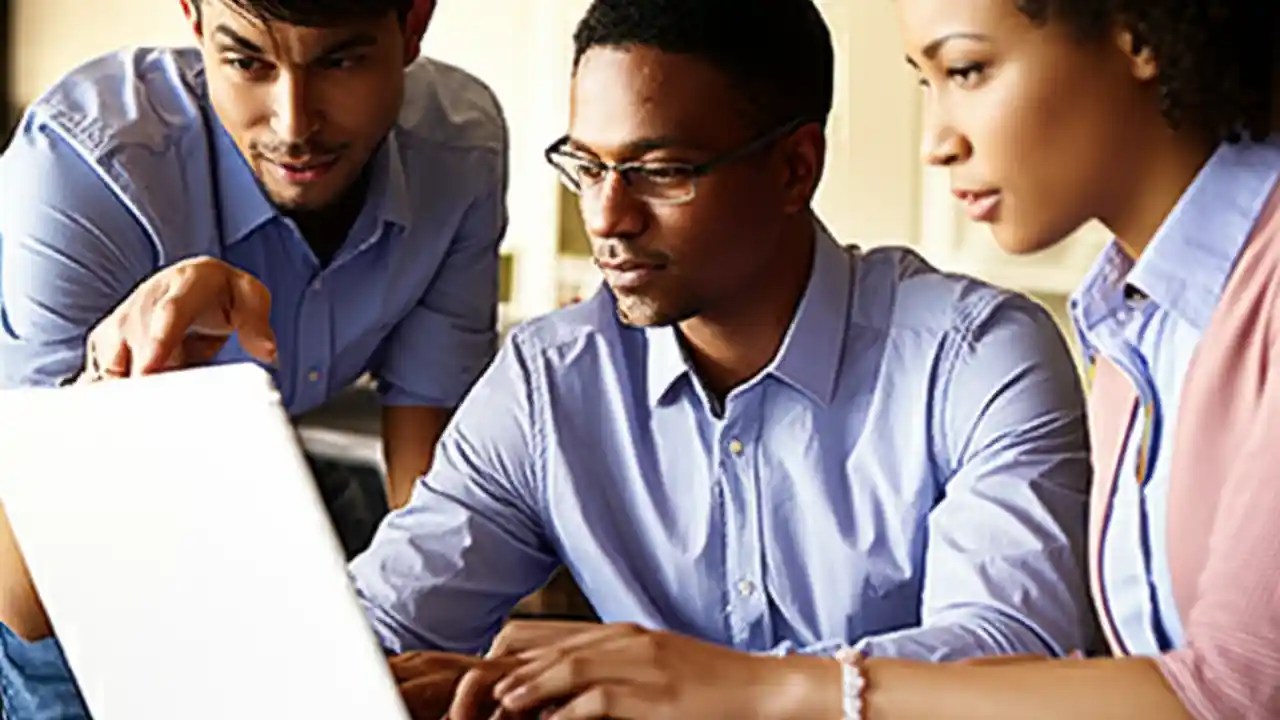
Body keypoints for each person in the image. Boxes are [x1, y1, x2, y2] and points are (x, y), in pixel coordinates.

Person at [479, 0, 1280, 718]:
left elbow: (1233, 691)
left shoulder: (1006, 345)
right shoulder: (1130, 324)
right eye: (926, 81)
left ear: (1135, 31)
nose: (937, 141)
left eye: (967, 69)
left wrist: (739, 687)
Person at [351, 0, 1099, 716]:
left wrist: (677, 690)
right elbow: (373, 629)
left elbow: (1012, 658)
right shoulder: (548, 384)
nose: (607, 218)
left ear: (794, 168)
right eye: (587, 166)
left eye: (660, 171)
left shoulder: (976, 360)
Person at [0, 0, 507, 717]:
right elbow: (25, 603)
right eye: (246, 62)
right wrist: (111, 384)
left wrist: (385, 675)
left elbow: (429, 483)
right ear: (194, 20)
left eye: (341, 60)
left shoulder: (460, 150)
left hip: (242, 561)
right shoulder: (84, 164)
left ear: (414, 24)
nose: (295, 124)